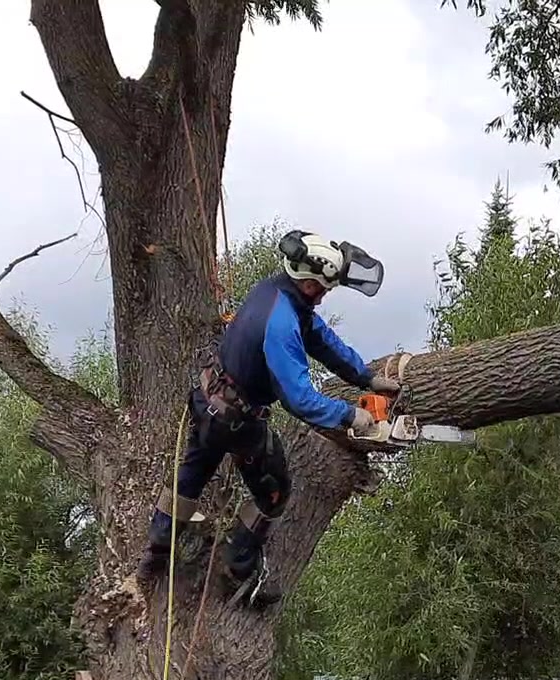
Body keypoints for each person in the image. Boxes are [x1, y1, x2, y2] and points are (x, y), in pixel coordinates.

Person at [141, 229, 402, 604]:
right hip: (238, 422)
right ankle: (240, 570)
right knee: (275, 492)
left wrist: (366, 377)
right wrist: (353, 417)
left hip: (207, 399)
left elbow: (322, 340)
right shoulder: (281, 325)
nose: (326, 295)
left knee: (192, 475)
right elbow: (300, 399)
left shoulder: (275, 291)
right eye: (324, 288)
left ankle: (158, 546)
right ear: (310, 282)